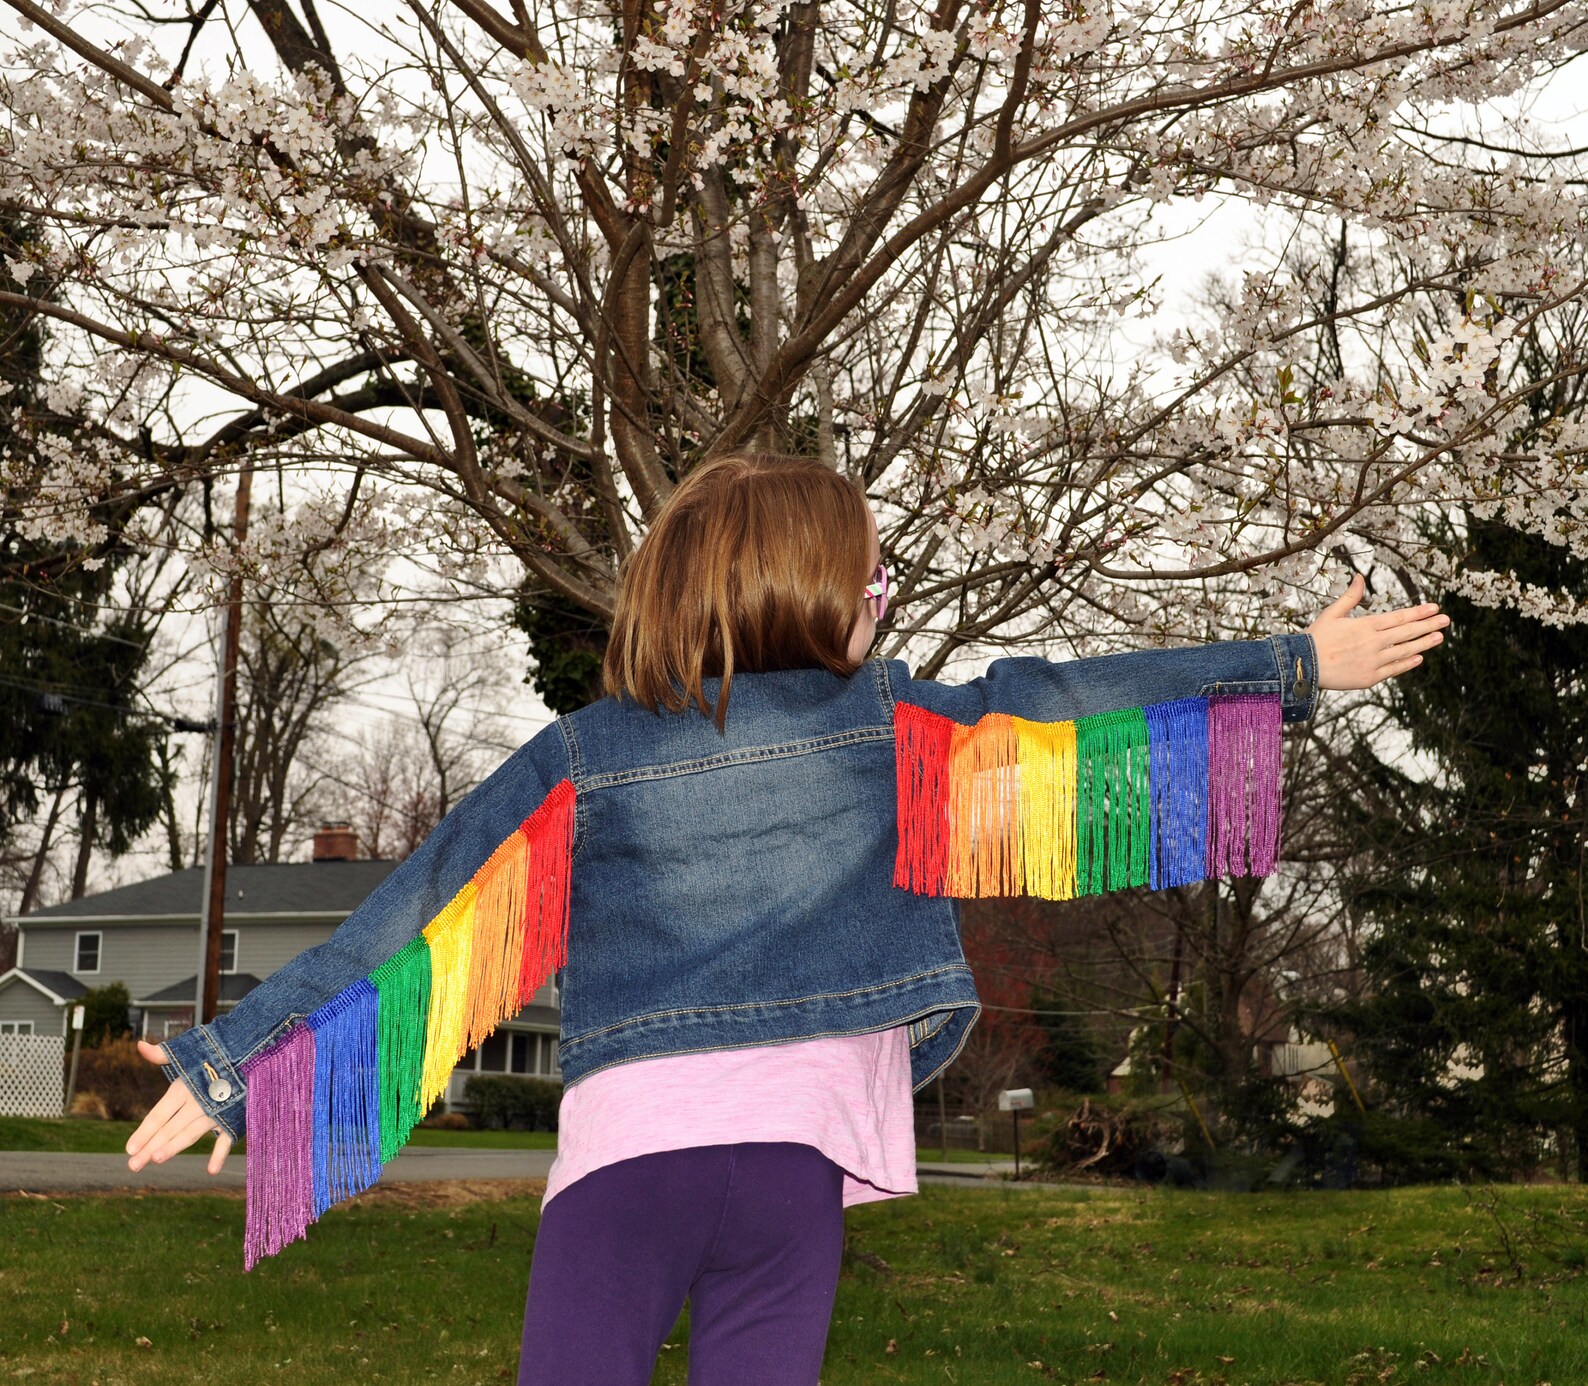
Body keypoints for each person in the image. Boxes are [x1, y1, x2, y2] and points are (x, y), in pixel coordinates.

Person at [126, 453, 1449, 1384]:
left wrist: (236, 1067)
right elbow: (1068, 702)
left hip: (626, 1167)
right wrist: (1288, 668)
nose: (879, 596)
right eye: (868, 578)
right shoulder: (896, 726)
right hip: (795, 1171)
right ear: (806, 587)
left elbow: (415, 915)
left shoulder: (586, 754)